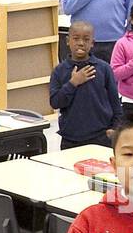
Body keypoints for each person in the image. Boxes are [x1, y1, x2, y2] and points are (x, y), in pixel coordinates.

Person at [50, 20, 123, 149]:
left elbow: (115, 103)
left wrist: (115, 128)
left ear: (92, 43)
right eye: (76, 38)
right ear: (67, 41)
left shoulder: (103, 68)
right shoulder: (59, 70)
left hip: (101, 137)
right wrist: (73, 83)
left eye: (86, 39)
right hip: (70, 138)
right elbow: (55, 102)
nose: (80, 43)